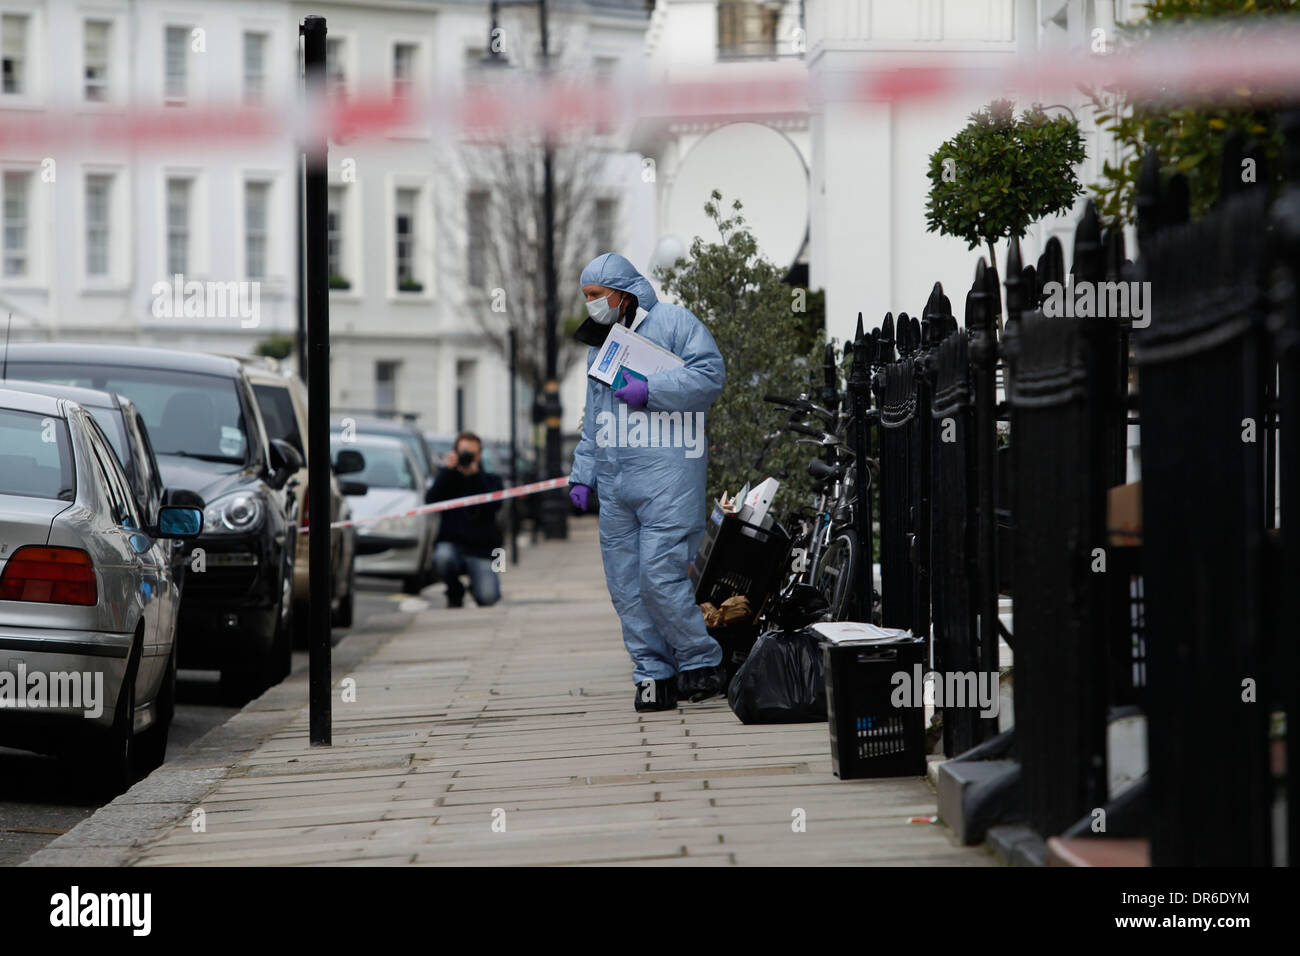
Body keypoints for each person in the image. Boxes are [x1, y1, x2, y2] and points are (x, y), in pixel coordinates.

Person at [568, 252, 727, 712]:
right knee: (626, 585)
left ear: (622, 292)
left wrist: (651, 392)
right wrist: (584, 474)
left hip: (668, 476)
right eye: (587, 297)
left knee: (659, 575)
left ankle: (700, 661)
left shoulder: (675, 324)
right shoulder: (602, 344)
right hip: (618, 481)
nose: (593, 305)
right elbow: (594, 417)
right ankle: (653, 675)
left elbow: (709, 376)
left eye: (597, 295)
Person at [427, 431, 503, 608]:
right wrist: (448, 470)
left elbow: (494, 506)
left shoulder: (491, 480)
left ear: (480, 455)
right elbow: (430, 501)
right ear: (455, 453)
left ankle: (475, 586)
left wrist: (475, 475)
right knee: (442, 558)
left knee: (489, 598)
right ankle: (454, 590)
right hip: (451, 545)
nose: (467, 457)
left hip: (481, 550)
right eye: (463, 453)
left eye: (472, 454)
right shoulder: (448, 477)